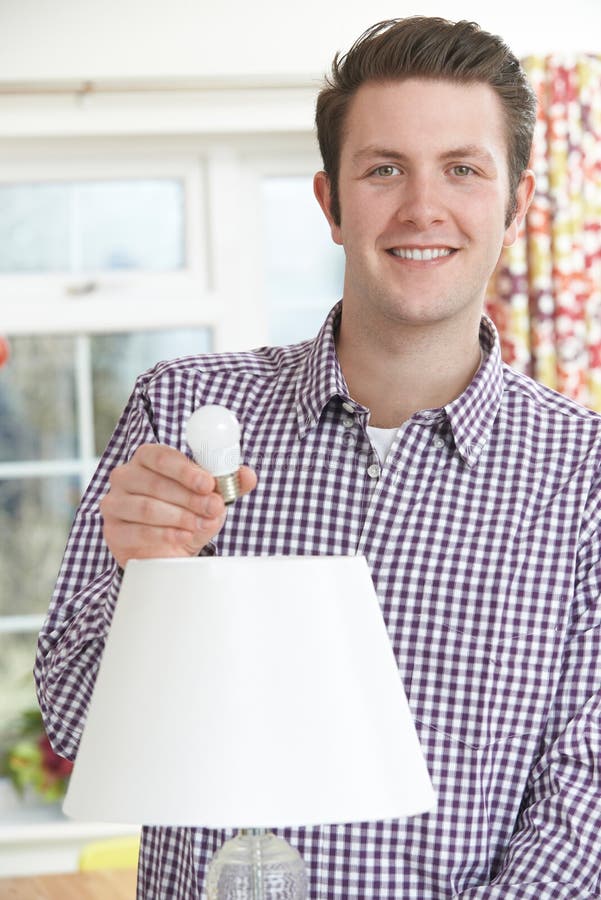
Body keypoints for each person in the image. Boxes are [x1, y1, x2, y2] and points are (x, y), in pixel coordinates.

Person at [35, 16, 601, 899]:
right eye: (383, 169)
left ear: (518, 203)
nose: (422, 208)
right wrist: (135, 575)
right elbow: (73, 718)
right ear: (330, 204)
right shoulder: (180, 411)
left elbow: (585, 808)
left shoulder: (582, 474)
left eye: (462, 168)